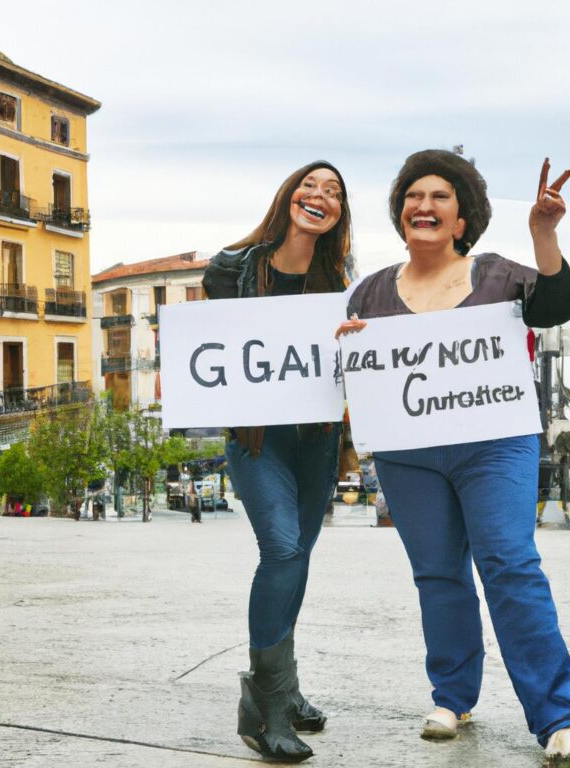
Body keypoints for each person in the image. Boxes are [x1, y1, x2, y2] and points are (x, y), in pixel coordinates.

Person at [336, 150, 570, 764]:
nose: (423, 205)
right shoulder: (369, 291)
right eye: (413, 196)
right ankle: (453, 697)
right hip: (408, 455)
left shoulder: (500, 274)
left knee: (510, 563)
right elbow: (352, 373)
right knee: (438, 575)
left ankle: (558, 717)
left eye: (439, 197)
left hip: (495, 445)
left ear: (461, 219)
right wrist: (346, 346)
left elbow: (556, 305)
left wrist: (543, 234)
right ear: (402, 214)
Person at [202, 161, 352, 762]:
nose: (319, 196)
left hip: (315, 440)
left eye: (333, 193)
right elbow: (210, 348)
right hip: (257, 439)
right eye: (310, 186)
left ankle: (285, 686)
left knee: (299, 555)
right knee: (283, 548)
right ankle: (263, 702)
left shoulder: (339, 279)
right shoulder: (230, 268)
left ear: (339, 215)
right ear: (288, 196)